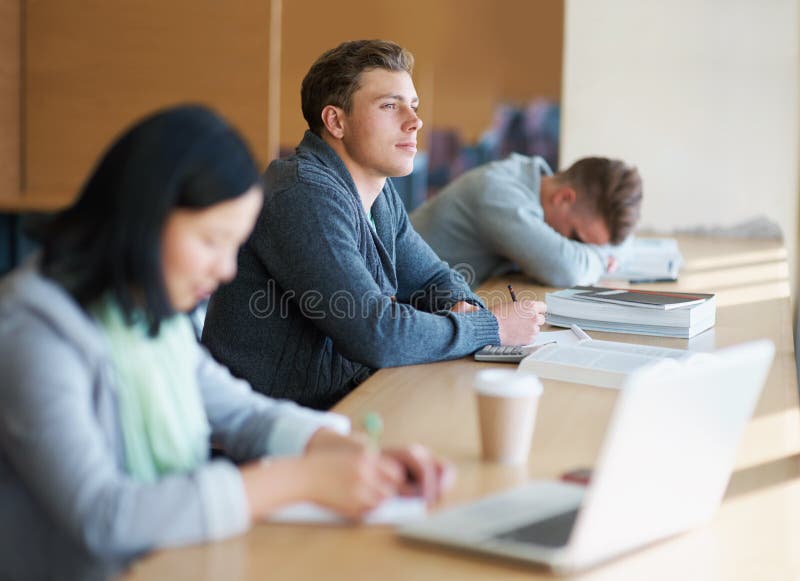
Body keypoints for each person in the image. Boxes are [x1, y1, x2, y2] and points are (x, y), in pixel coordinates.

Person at [0, 106, 451, 581]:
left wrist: (350, 450)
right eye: (212, 240)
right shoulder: (31, 332)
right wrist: (299, 479)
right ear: (145, 217)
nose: (226, 270)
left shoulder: (145, 306)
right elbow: (104, 516)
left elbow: (239, 412)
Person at [202, 40, 546, 410]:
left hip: (346, 404)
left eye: (413, 106)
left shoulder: (378, 193)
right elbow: (377, 333)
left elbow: (433, 279)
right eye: (389, 105)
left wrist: (464, 308)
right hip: (270, 432)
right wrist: (489, 327)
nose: (415, 121)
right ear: (336, 121)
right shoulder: (301, 194)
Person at [410, 154, 643, 288]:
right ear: (564, 198)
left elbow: (626, 244)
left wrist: (598, 253)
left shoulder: (535, 180)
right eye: (576, 237)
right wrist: (602, 260)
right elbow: (567, 269)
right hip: (401, 309)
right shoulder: (498, 194)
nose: (578, 246)